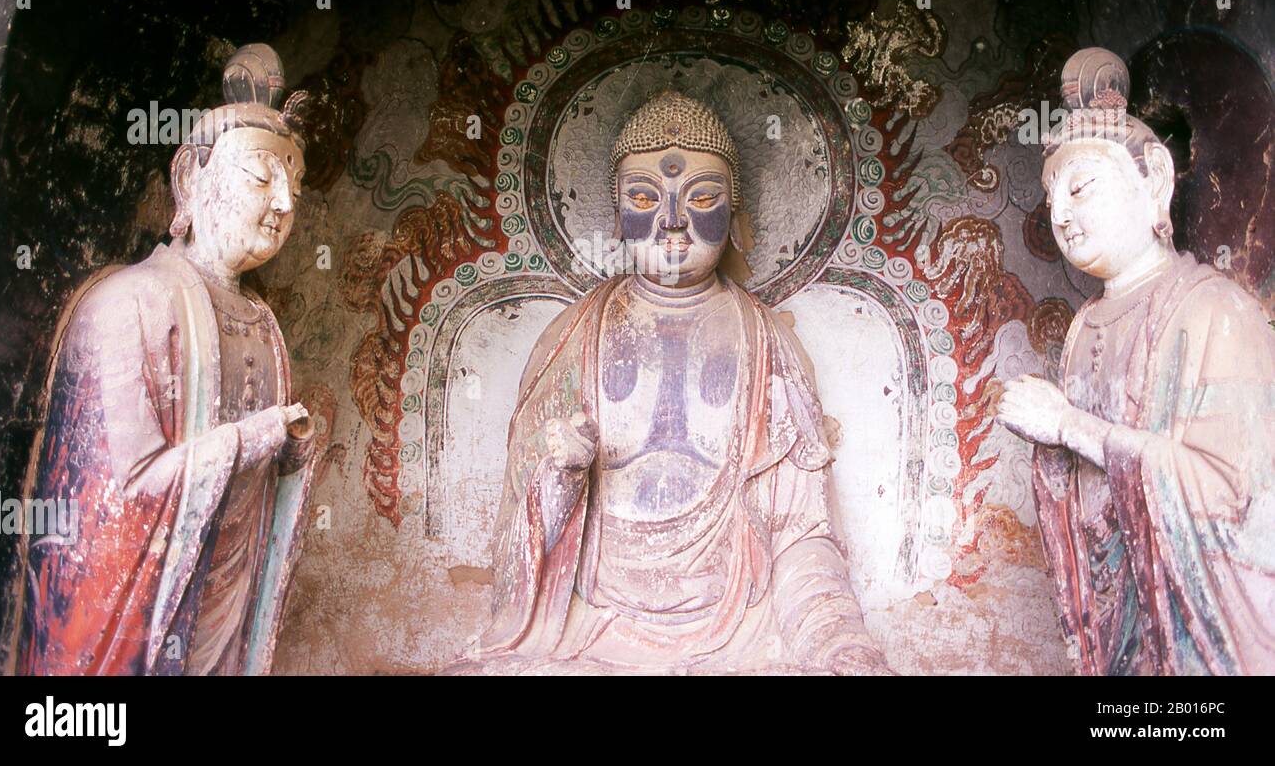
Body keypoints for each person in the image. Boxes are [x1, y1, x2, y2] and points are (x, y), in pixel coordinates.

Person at [455, 91, 890, 674]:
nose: (673, 220)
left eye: (703, 198)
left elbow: (800, 538)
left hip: (738, 632)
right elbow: (521, 547)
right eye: (643, 198)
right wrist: (558, 475)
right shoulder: (571, 339)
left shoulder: (768, 347)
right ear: (616, 217)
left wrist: (837, 644)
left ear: (736, 219)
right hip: (590, 632)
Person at [16, 44, 318, 675]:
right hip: (139, 633)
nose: (286, 202)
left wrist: (289, 452)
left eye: (296, 181)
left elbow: (260, 498)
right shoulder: (129, 304)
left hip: (221, 612)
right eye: (264, 176)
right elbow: (115, 504)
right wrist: (254, 438)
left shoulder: (264, 322)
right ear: (191, 180)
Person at [998, 48, 1275, 675]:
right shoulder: (1080, 330)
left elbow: (1231, 498)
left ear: (1153, 179)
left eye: (1079, 187)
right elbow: (1088, 508)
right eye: (1049, 199)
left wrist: (1070, 427)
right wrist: (1053, 448)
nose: (1060, 214)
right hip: (1119, 632)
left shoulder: (1217, 313)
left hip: (1200, 648)